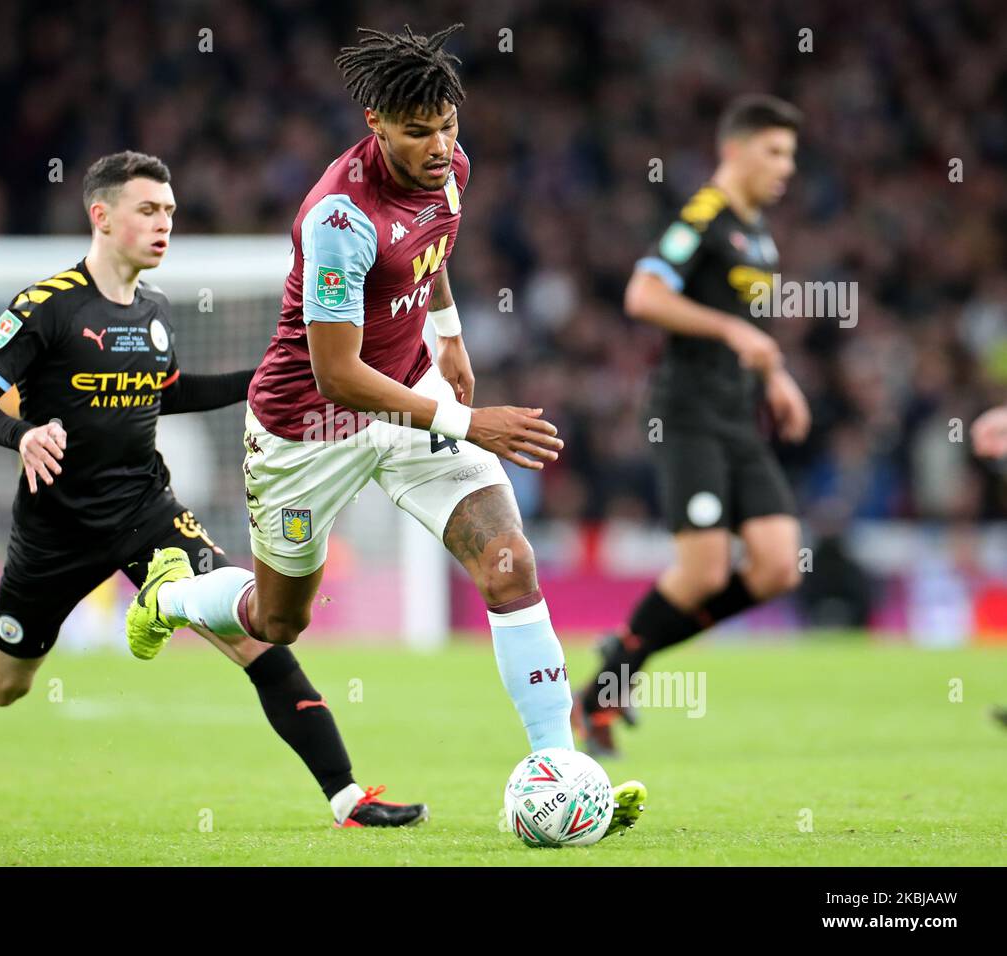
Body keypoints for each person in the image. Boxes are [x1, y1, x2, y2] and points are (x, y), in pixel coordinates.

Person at [0, 150, 426, 829]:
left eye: (171, 213)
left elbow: (169, 394)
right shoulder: (47, 307)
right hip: (56, 532)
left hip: (147, 514)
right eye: (149, 211)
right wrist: (24, 435)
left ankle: (347, 799)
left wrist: (268, 375)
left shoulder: (154, 310)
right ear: (101, 216)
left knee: (258, 638)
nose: (165, 225)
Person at [125, 24, 646, 838]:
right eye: (418, 131)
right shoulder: (339, 216)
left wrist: (450, 337)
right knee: (278, 621)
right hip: (310, 429)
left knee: (509, 563)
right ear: (375, 123)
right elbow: (337, 373)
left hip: (409, 395)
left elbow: (431, 256)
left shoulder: (453, 169)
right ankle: (173, 595)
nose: (440, 145)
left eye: (448, 124)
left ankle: (561, 770)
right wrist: (471, 420)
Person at [574, 95, 812, 757]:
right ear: (733, 150)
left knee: (777, 567)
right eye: (774, 151)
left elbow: (748, 329)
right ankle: (608, 685)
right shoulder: (701, 217)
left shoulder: (757, 232)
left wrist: (775, 377)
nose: (785, 166)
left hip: (738, 417)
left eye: (790, 154)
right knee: (703, 572)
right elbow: (643, 295)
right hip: (688, 417)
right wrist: (732, 329)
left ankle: (625, 648)